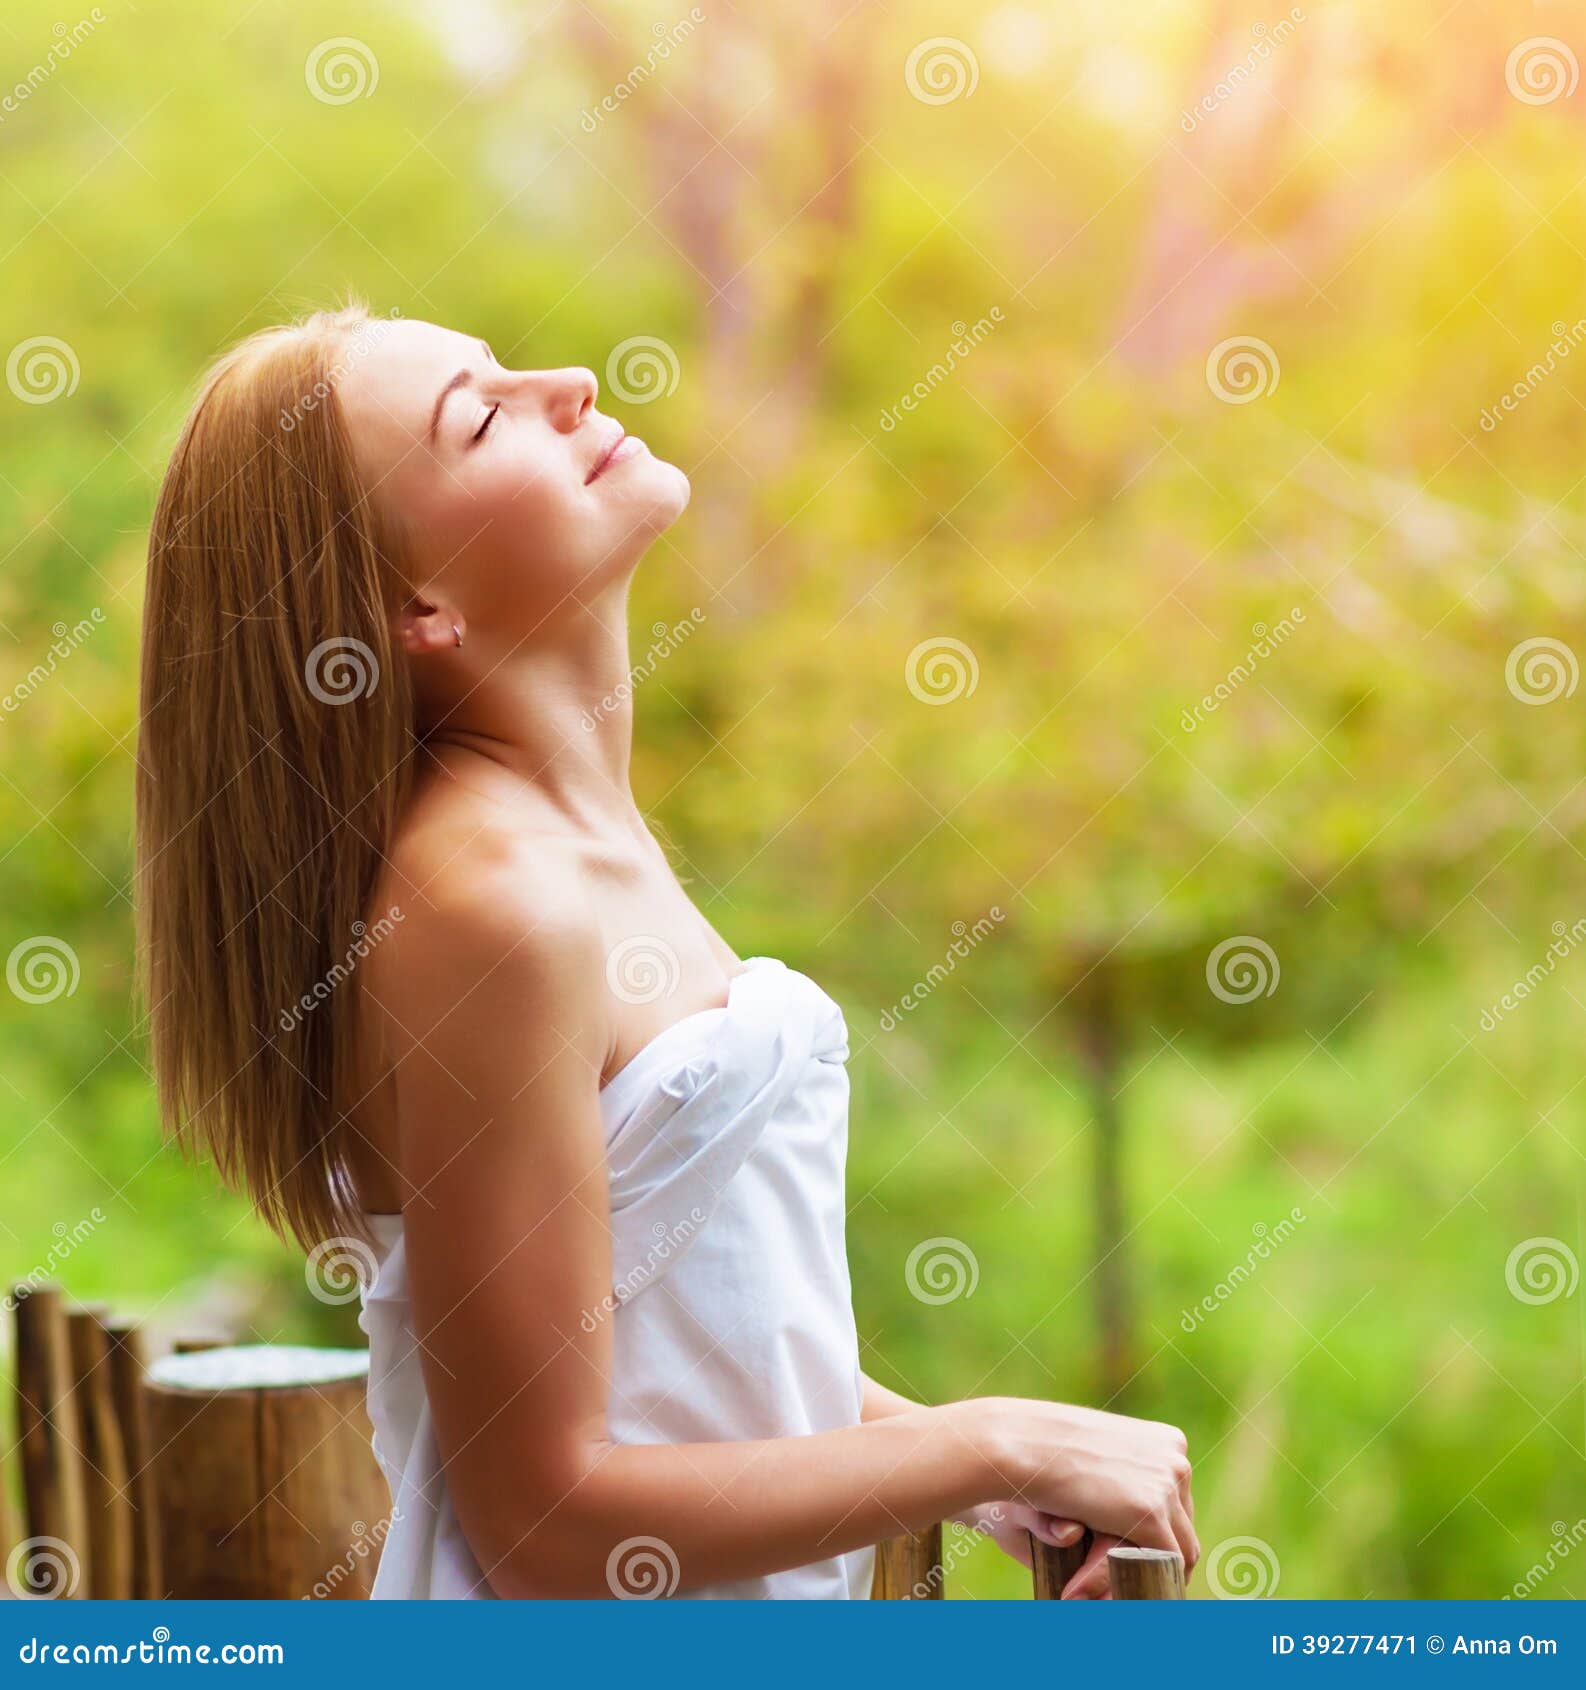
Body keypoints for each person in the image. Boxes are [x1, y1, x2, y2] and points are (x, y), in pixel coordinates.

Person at [135, 305, 1196, 1599]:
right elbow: (542, 1515)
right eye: (479, 416)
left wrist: (975, 1476)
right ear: (412, 606)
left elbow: (693, 1337)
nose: (569, 382)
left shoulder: (572, 849)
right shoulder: (488, 908)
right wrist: (992, 1433)